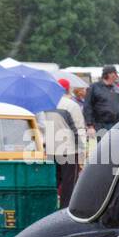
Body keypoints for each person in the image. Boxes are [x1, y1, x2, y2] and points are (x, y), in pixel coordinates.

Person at [42, 78, 87, 207]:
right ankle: (65, 211)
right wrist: (82, 153)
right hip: (69, 150)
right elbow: (79, 129)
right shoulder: (71, 105)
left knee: (52, 182)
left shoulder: (45, 104)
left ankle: (50, 208)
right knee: (69, 184)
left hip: (50, 149)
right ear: (67, 89)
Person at [83, 65, 119, 136]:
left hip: (116, 123)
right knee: (104, 146)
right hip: (101, 125)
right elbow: (87, 106)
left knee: (116, 146)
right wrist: (90, 125)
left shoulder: (116, 88)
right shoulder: (94, 87)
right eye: (115, 74)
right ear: (110, 74)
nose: (117, 76)